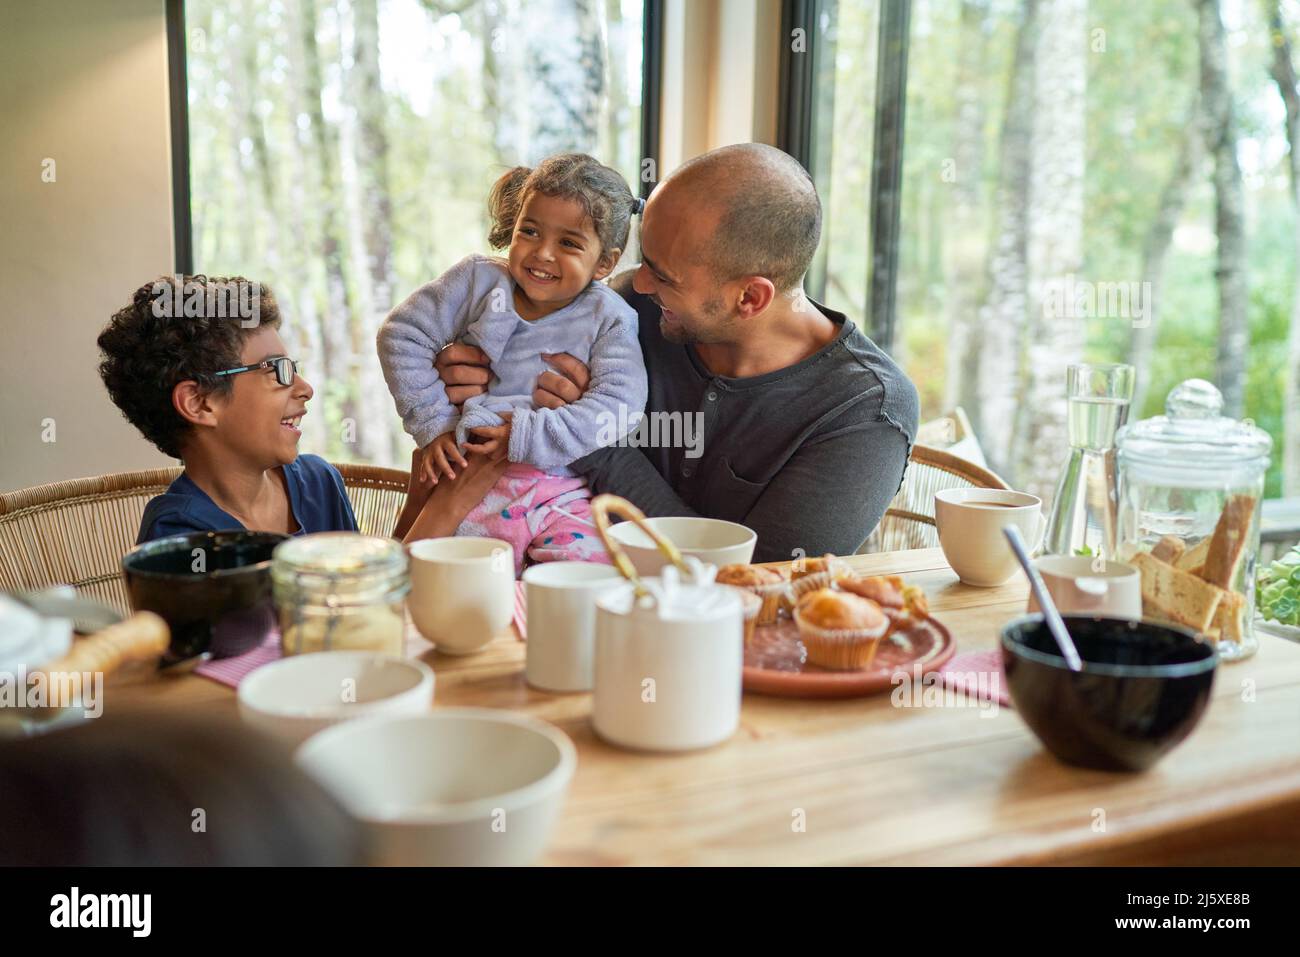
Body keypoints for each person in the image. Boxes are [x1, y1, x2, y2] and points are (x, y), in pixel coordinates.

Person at [431, 143, 920, 563]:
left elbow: (757, 585)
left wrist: (587, 437)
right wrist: (466, 369)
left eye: (663, 275)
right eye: (644, 260)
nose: (639, 283)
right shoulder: (624, 311)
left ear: (750, 298)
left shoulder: (863, 411)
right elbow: (500, 349)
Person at [377, 153, 647, 573]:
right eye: (530, 231)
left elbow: (620, 406)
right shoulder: (477, 281)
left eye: (569, 243)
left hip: (557, 491)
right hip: (466, 477)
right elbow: (401, 334)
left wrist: (524, 435)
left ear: (606, 263)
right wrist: (435, 425)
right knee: (453, 590)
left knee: (589, 584)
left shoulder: (611, 318)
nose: (542, 254)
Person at [96, 275, 503, 544]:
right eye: (277, 370)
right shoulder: (181, 534)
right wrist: (446, 509)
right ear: (199, 402)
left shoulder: (317, 482)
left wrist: (419, 504)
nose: (305, 389)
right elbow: (335, 632)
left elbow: (360, 591)